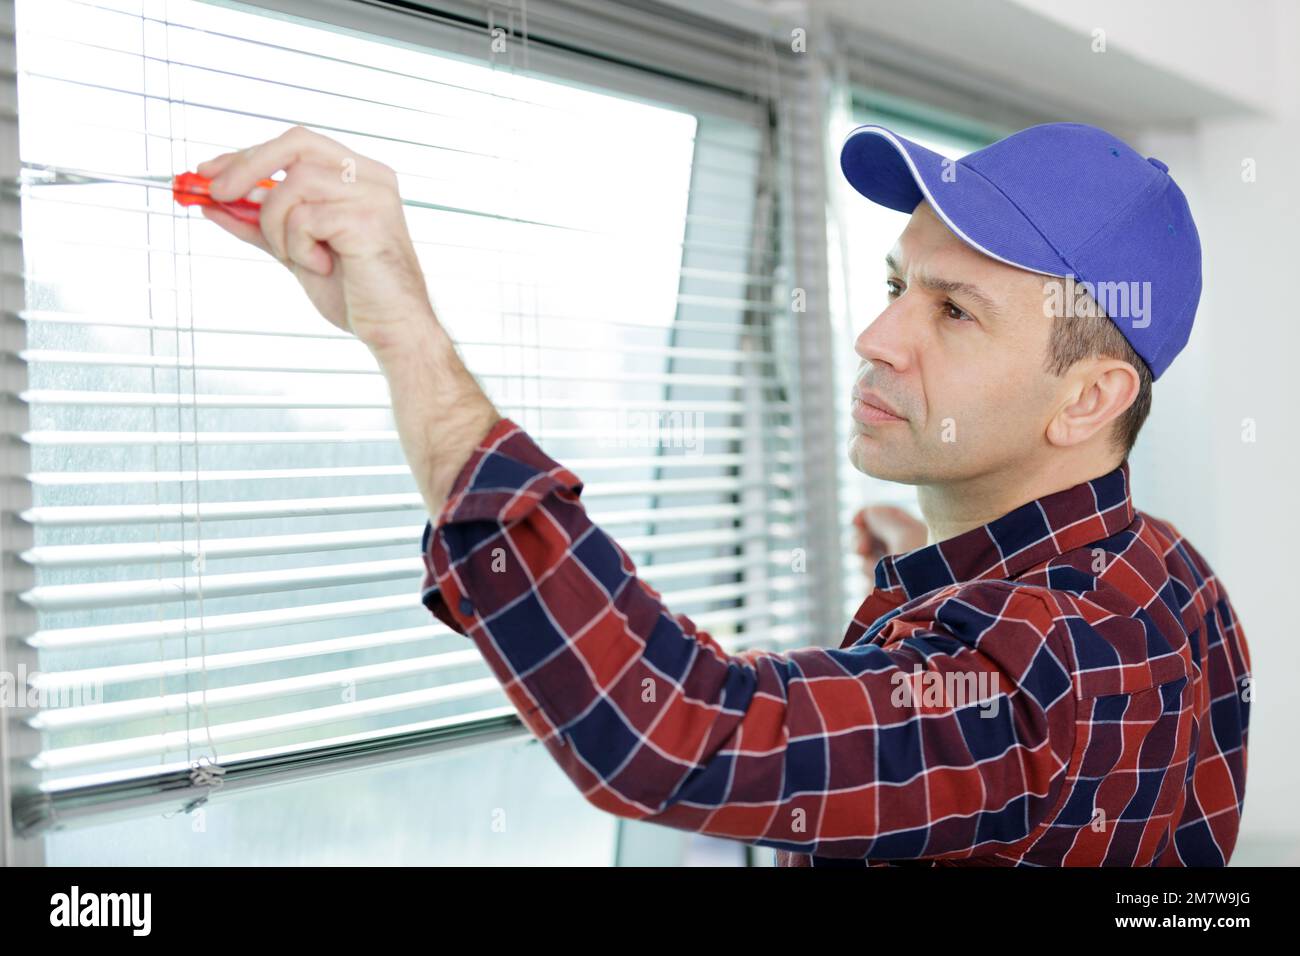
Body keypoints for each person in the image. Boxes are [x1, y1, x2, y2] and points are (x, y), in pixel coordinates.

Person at [197, 120, 1250, 866]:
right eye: (894, 286)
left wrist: (403, 335)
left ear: (1089, 396)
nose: (876, 337)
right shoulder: (1169, 579)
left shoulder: (1043, 665)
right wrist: (902, 561)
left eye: (953, 311)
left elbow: (672, 731)